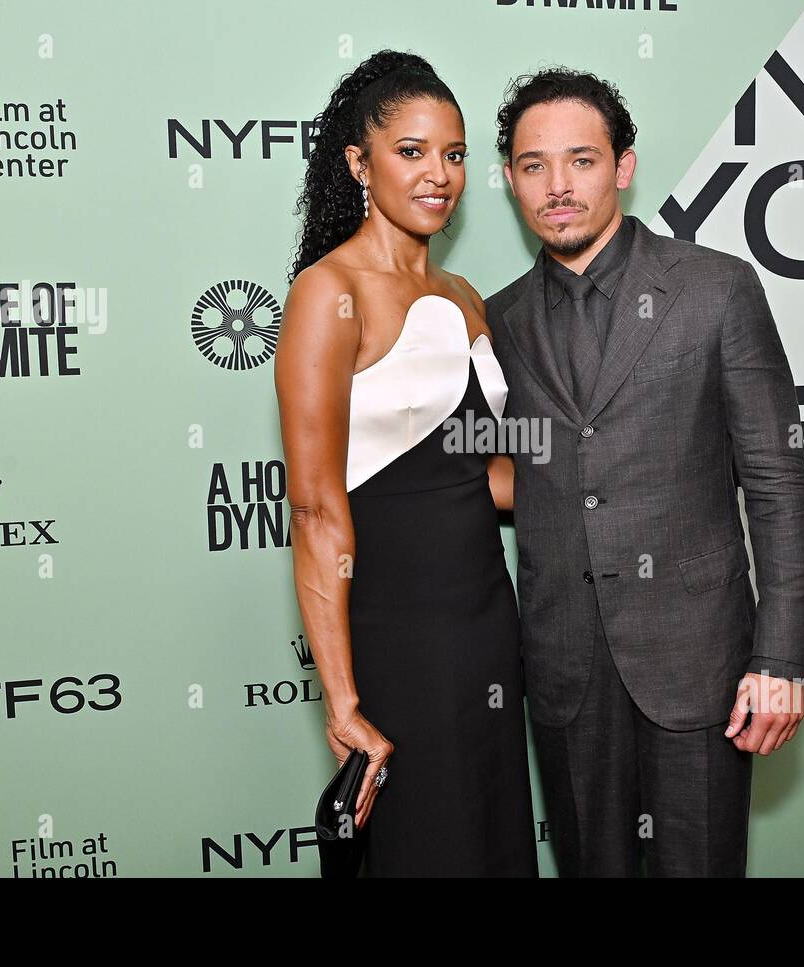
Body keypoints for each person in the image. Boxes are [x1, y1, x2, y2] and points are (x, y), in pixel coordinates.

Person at [483, 68, 804, 876]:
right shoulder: (496, 318)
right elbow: (505, 468)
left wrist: (779, 662)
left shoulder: (715, 289)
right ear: (510, 181)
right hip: (564, 671)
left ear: (623, 166)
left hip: (697, 662)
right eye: (534, 166)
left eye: (581, 160)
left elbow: (776, 485)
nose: (558, 186)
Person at [274, 50, 536, 876]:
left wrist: (613, 474)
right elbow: (317, 509)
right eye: (412, 151)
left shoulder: (464, 294)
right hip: (399, 631)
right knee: (431, 844)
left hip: (487, 620)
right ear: (359, 162)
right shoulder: (328, 290)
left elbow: (479, 471)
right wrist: (342, 698)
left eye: (454, 155)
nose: (439, 174)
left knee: (491, 835)